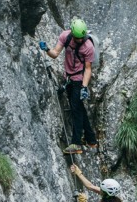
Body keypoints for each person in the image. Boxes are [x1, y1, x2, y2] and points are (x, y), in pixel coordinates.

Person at [40, 18, 97, 154]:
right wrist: (47, 49)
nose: (79, 40)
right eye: (77, 38)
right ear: (72, 33)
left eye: (81, 38)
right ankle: (91, 139)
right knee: (79, 108)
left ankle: (76, 143)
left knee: (76, 109)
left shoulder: (88, 46)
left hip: (79, 79)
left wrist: (84, 87)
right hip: (69, 77)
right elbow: (55, 53)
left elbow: (88, 69)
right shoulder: (65, 36)